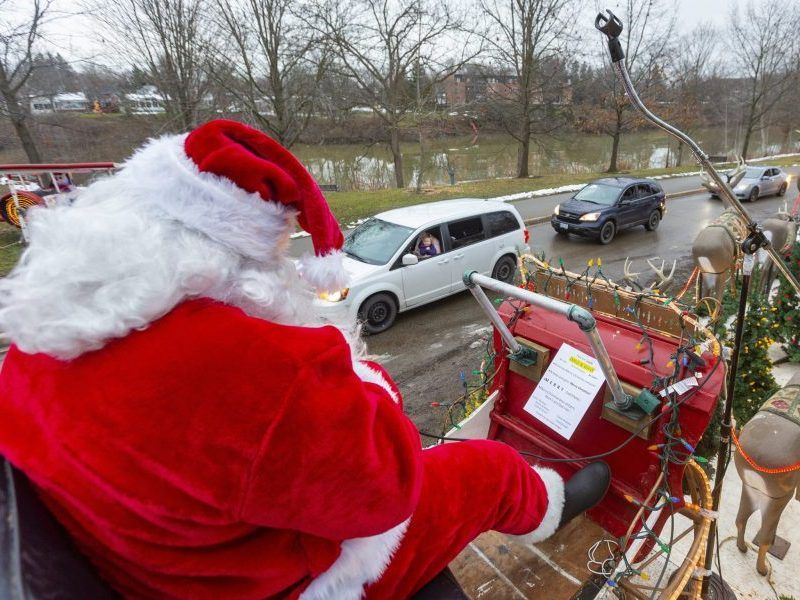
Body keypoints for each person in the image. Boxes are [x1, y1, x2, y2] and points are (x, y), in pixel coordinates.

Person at [0, 119, 609, 600]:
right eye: (276, 250)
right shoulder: (249, 366)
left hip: (158, 563)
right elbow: (387, 489)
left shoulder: (39, 338)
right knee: (486, 470)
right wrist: (359, 373)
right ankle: (548, 505)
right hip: (281, 581)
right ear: (230, 253)